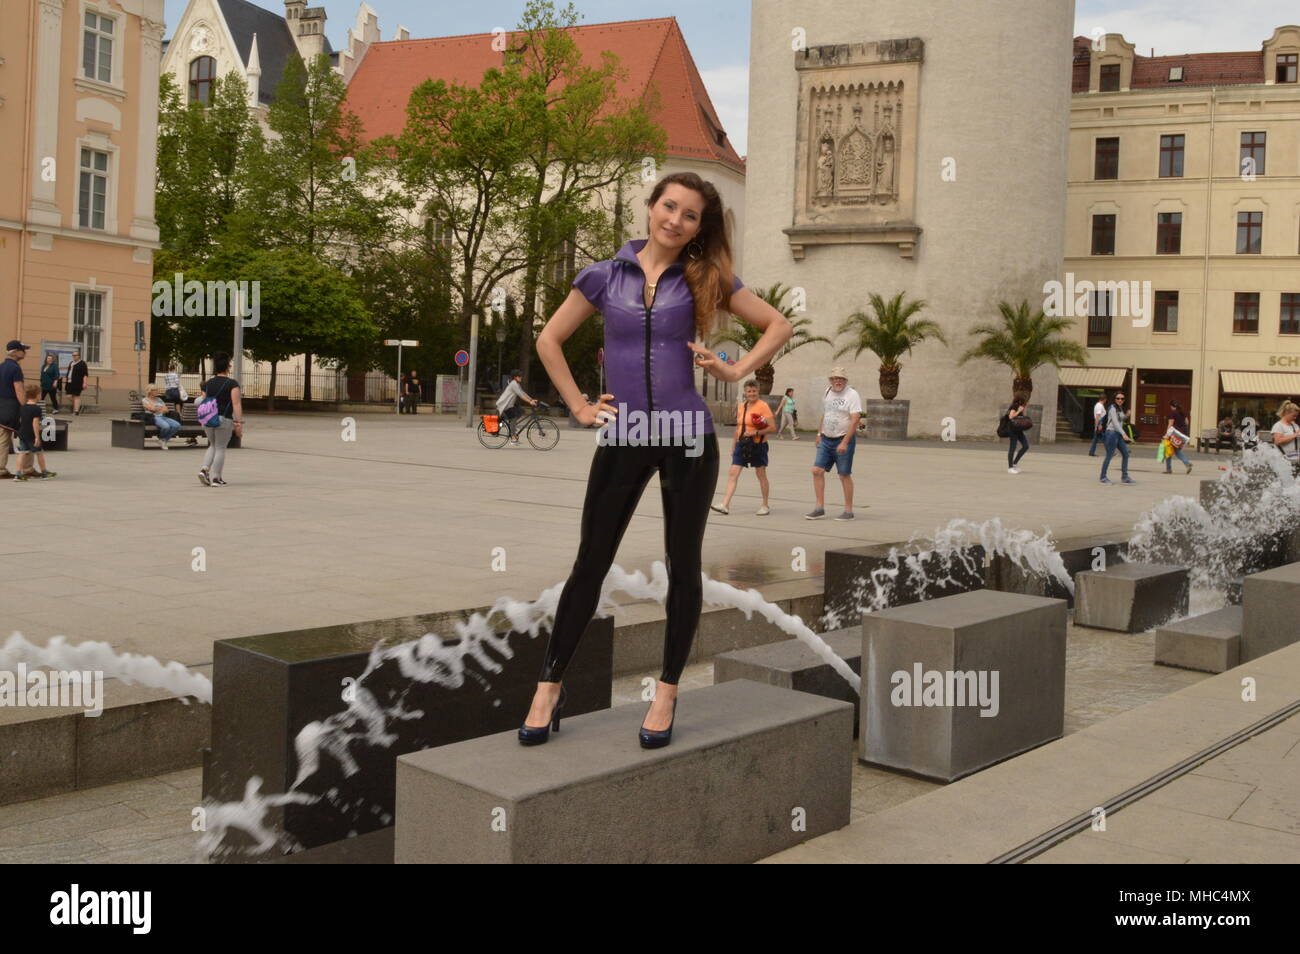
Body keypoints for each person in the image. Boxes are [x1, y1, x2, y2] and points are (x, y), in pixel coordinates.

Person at [520, 171, 792, 749]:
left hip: (688, 435)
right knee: (590, 562)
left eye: (690, 215)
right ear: (651, 208)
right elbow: (549, 340)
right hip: (624, 432)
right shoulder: (601, 276)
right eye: (669, 206)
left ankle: (666, 690)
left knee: (682, 563)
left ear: (699, 227)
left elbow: (778, 324)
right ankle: (549, 685)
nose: (676, 220)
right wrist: (578, 405)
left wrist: (735, 370)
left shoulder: (708, 277)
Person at [710, 379, 776, 515]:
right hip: (742, 444)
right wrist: (734, 445)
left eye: (754, 391)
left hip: (758, 445)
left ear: (758, 391)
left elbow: (773, 427)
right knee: (733, 472)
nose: (751, 394)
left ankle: (765, 505)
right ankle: (725, 504)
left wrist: (755, 432)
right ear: (745, 393)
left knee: (761, 474)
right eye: (749, 391)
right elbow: (739, 427)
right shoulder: (742, 406)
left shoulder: (763, 406)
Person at [806, 367, 862, 520]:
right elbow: (826, 413)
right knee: (817, 470)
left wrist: (844, 442)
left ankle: (848, 511)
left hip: (843, 439)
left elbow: (855, 419)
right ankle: (819, 508)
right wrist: (819, 433)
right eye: (835, 378)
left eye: (841, 378)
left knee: (844, 475)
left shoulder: (852, 395)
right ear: (830, 380)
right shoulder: (827, 392)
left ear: (846, 380)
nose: (838, 381)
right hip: (826, 439)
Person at [197, 352, 243, 486]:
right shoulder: (232, 383)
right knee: (221, 448)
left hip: (208, 419)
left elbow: (204, 401)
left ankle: (204, 469)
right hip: (224, 419)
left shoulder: (208, 383)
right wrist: (239, 422)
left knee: (212, 445)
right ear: (228, 366)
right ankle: (216, 478)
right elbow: (236, 404)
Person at [0, 340, 30, 479]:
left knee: (3, 438)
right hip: (12, 406)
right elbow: (19, 389)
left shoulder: (1, 366)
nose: (25, 352)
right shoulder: (15, 368)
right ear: (16, 352)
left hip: (1, 404)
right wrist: (25, 406)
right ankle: (27, 468)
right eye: (23, 349)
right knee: (27, 435)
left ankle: (1, 469)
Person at [13, 384, 56, 480]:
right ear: (37, 395)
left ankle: (18, 474)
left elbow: (20, 420)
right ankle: (44, 471)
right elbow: (35, 423)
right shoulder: (37, 409)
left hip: (22, 433)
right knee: (39, 453)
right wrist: (37, 437)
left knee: (22, 453)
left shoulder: (22, 407)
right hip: (31, 434)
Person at [1099, 390, 1136, 484]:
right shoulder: (1112, 407)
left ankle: (1125, 477)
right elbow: (1115, 423)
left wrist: (1126, 415)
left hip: (1117, 433)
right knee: (1109, 455)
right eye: (1118, 398)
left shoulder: (1119, 408)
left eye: (1122, 399)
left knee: (1126, 454)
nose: (1120, 400)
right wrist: (1124, 434)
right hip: (1111, 433)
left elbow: (1121, 419)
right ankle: (1103, 477)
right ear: (1114, 399)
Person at [496, 370, 537, 444]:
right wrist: (530, 402)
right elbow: (521, 395)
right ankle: (513, 438)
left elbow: (522, 392)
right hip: (505, 406)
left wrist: (531, 399)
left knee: (521, 411)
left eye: (521, 376)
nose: (521, 377)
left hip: (510, 405)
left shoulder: (517, 384)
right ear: (515, 377)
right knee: (513, 417)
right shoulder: (513, 384)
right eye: (519, 376)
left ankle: (512, 426)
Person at [1163, 400, 1193, 475]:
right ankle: (1185, 464)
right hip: (1182, 434)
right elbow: (1187, 422)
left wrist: (1167, 435)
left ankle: (1170, 469)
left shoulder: (1172, 413)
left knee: (1168, 450)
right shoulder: (1183, 412)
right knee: (1176, 451)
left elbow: (1170, 424)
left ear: (1172, 406)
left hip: (1174, 434)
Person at [1270, 400, 1300, 474]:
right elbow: (1277, 441)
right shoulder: (1278, 426)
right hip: (1283, 461)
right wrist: (1295, 435)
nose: (1295, 418)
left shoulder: (1295, 426)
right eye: (1293, 416)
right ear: (1286, 413)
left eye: (1296, 416)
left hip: (1295, 460)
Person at [1005, 396, 1030, 474]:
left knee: (1026, 446)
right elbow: (1011, 417)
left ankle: (1014, 464)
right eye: (1025, 402)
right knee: (1012, 448)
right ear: (1021, 401)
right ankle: (1010, 468)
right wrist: (1019, 411)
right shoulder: (1014, 406)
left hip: (1018, 430)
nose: (1026, 404)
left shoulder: (1019, 407)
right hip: (1012, 430)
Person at [65, 350, 88, 415]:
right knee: (68, 396)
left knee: (76, 396)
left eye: (75, 355)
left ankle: (76, 411)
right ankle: (77, 406)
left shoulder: (82, 363)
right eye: (73, 355)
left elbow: (85, 374)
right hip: (69, 382)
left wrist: (84, 383)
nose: (74, 357)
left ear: (79, 356)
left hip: (77, 383)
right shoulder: (71, 363)